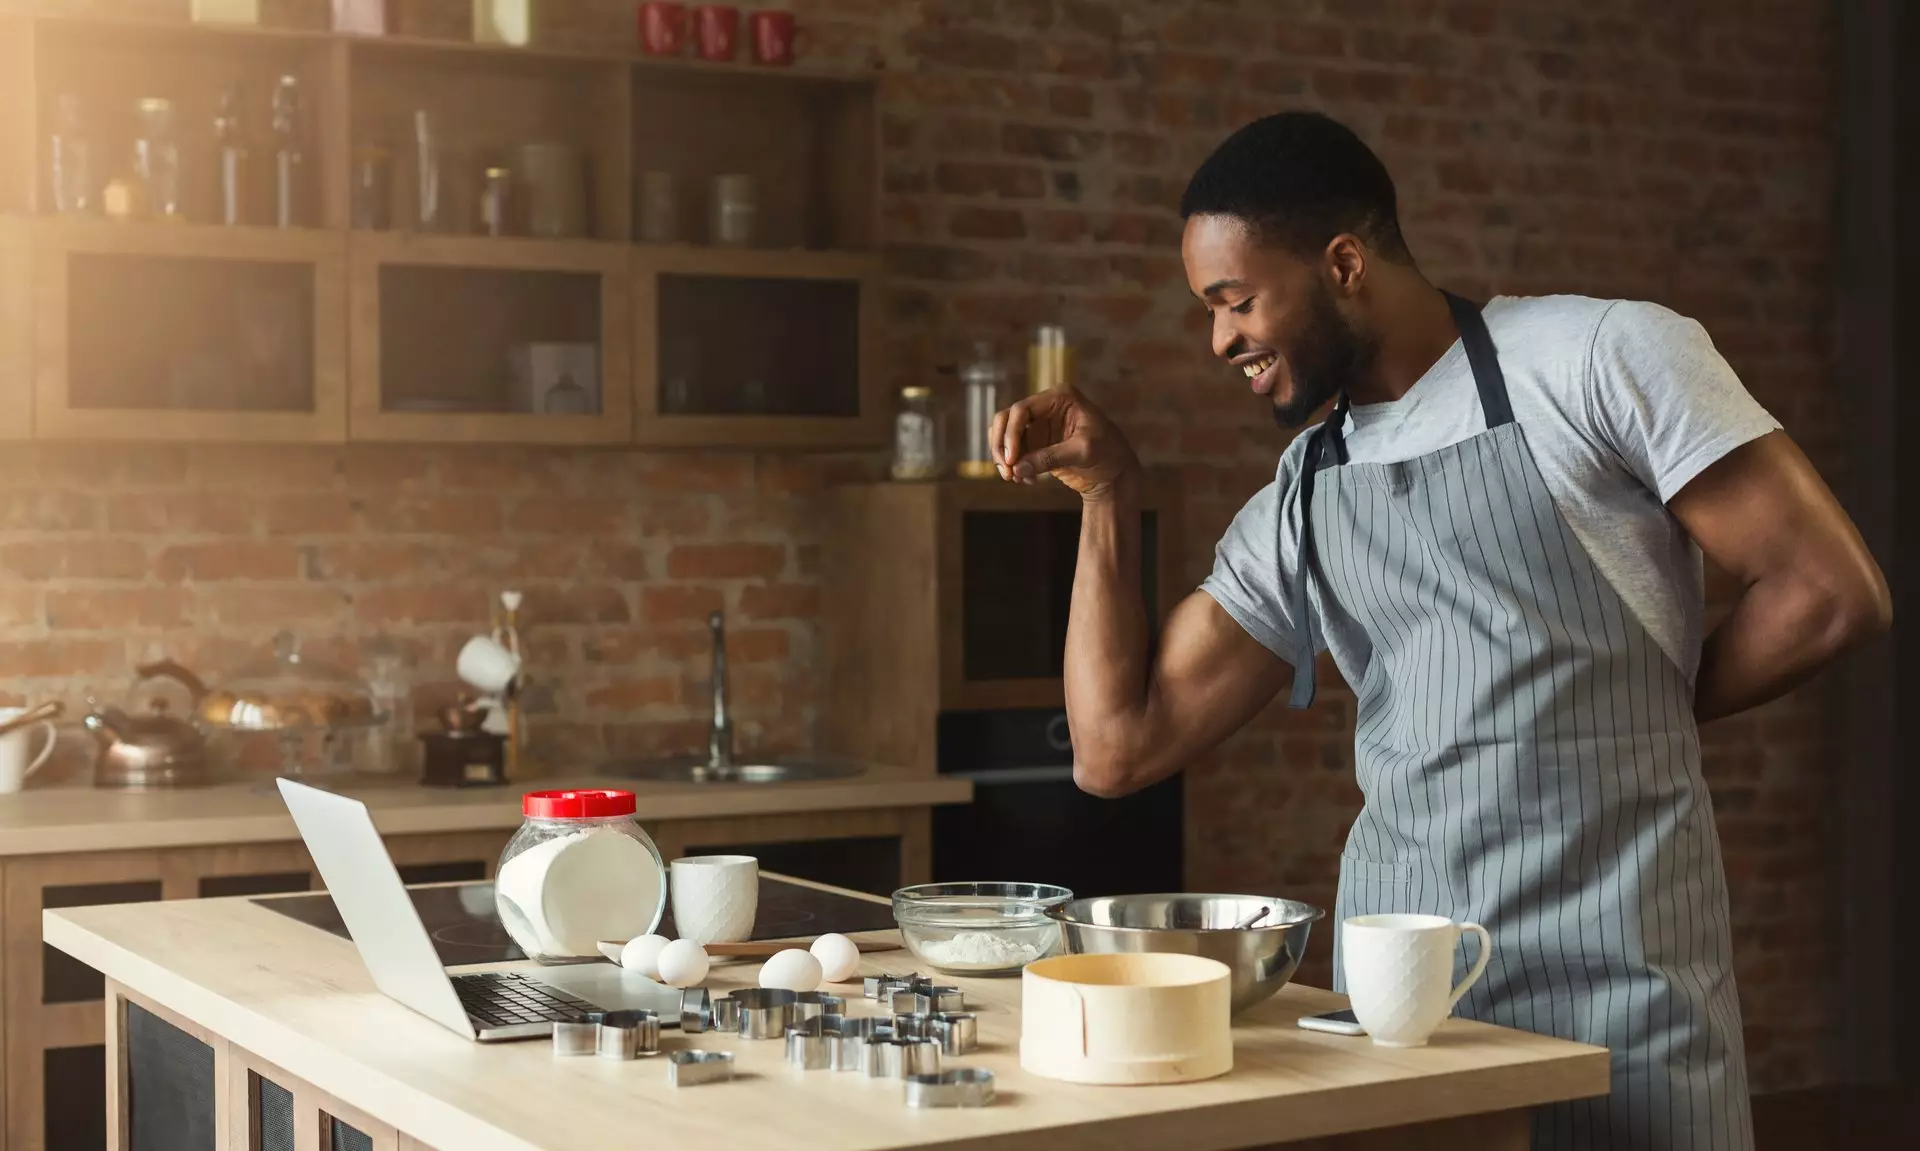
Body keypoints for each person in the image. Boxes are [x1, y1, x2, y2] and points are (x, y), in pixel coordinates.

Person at [989, 111, 1890, 1151]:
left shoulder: (1598, 357)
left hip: (1623, 1001)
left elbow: (1828, 590)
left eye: (1236, 301)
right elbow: (1115, 745)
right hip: (1408, 1028)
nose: (1220, 339)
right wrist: (1109, 490)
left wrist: (1626, 705)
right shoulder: (1304, 490)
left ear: (1343, 261)